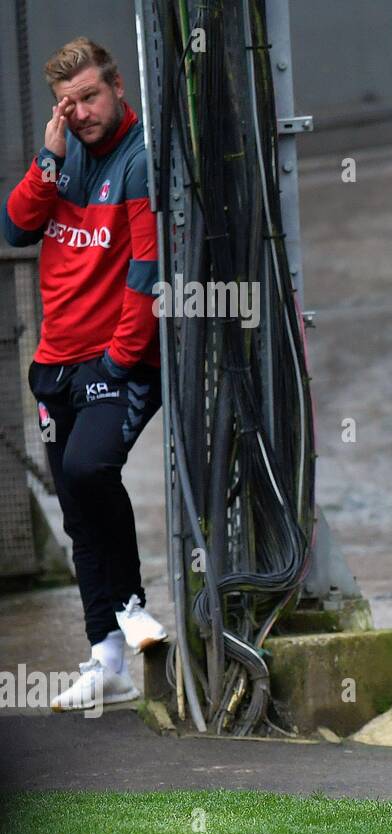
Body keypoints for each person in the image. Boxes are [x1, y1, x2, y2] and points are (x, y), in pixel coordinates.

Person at [3, 38, 167, 711]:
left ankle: (131, 605)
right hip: (55, 365)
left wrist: (122, 359)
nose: (82, 113)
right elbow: (15, 227)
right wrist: (49, 159)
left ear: (119, 85)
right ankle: (107, 659)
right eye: (67, 105)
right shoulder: (62, 158)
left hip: (113, 361)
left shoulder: (138, 159)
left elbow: (147, 269)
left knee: (88, 469)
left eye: (91, 97)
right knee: (76, 513)